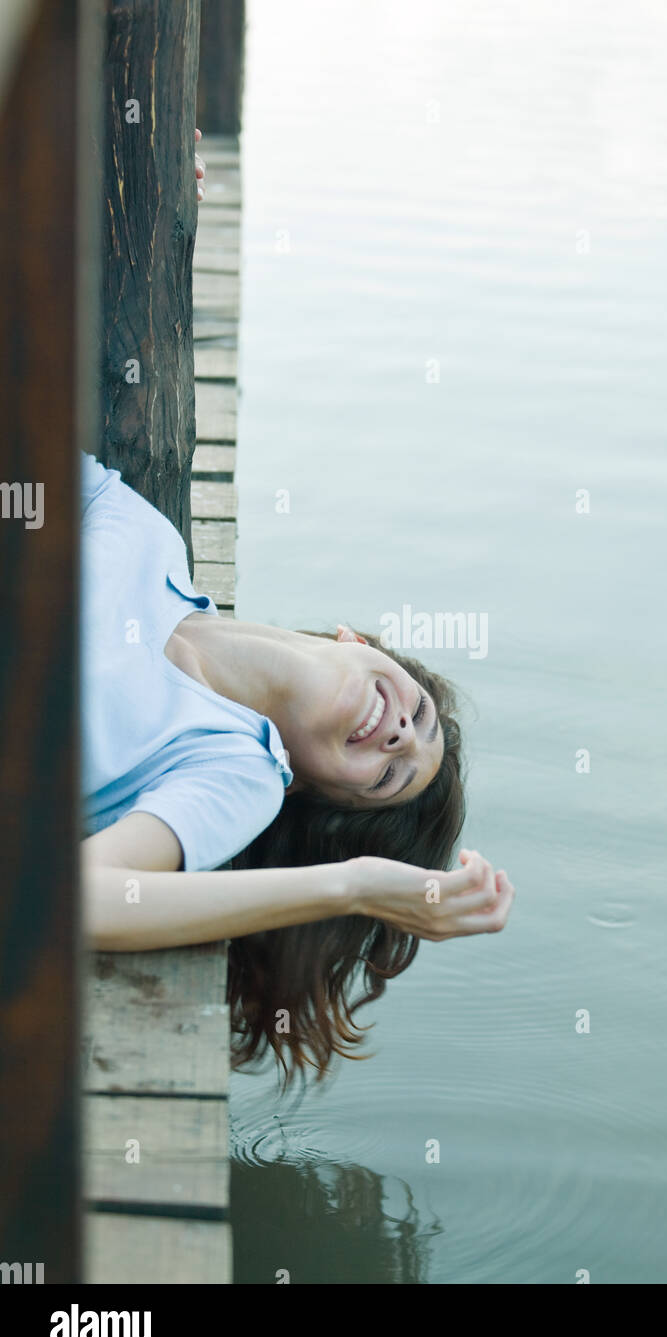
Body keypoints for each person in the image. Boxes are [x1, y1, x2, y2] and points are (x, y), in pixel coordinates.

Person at [81, 449, 514, 1083]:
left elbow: (76, 899)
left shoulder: (233, 769)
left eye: (391, 775)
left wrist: (357, 884)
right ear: (358, 643)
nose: (400, 735)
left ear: (307, 787)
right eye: (418, 715)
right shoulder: (146, 537)